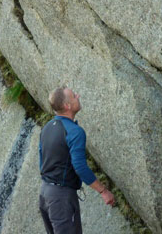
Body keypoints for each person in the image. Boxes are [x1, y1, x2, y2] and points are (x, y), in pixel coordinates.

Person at [39, 86, 114, 233]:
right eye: (74, 96)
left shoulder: (47, 128)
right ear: (67, 106)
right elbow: (79, 166)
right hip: (61, 198)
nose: (78, 96)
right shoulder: (74, 132)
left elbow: (42, 161)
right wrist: (103, 191)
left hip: (45, 193)